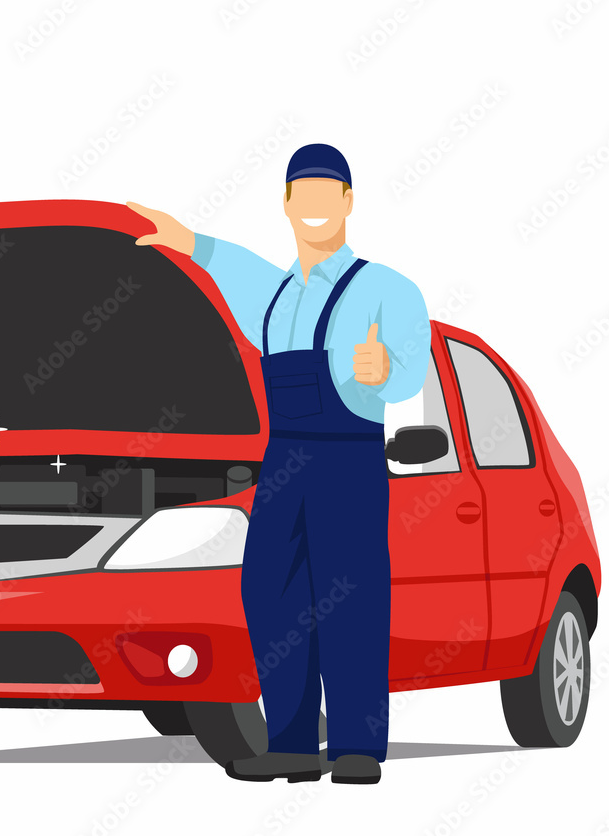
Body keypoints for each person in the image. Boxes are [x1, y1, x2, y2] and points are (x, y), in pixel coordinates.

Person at [127, 143, 430, 784]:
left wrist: (387, 372)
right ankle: (291, 742)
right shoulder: (274, 294)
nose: (316, 207)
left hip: (349, 461)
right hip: (285, 460)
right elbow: (228, 267)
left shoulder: (385, 287)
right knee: (273, 597)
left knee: (349, 600)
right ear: (287, 205)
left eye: (329, 194)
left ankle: (355, 746)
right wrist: (185, 240)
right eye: (304, 195)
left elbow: (413, 372)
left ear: (348, 202)